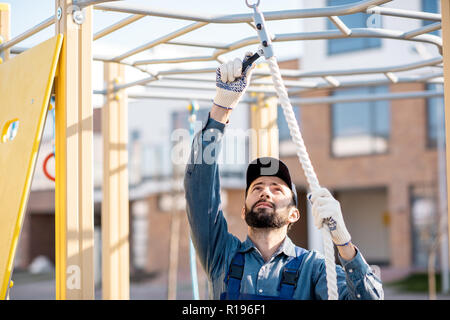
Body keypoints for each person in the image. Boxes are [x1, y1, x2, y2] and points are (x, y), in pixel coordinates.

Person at [183, 53, 383, 300]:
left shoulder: (315, 269)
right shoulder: (221, 254)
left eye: (277, 188)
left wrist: (343, 242)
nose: (265, 191)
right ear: (244, 211)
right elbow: (200, 192)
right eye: (256, 188)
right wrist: (221, 108)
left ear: (294, 214)